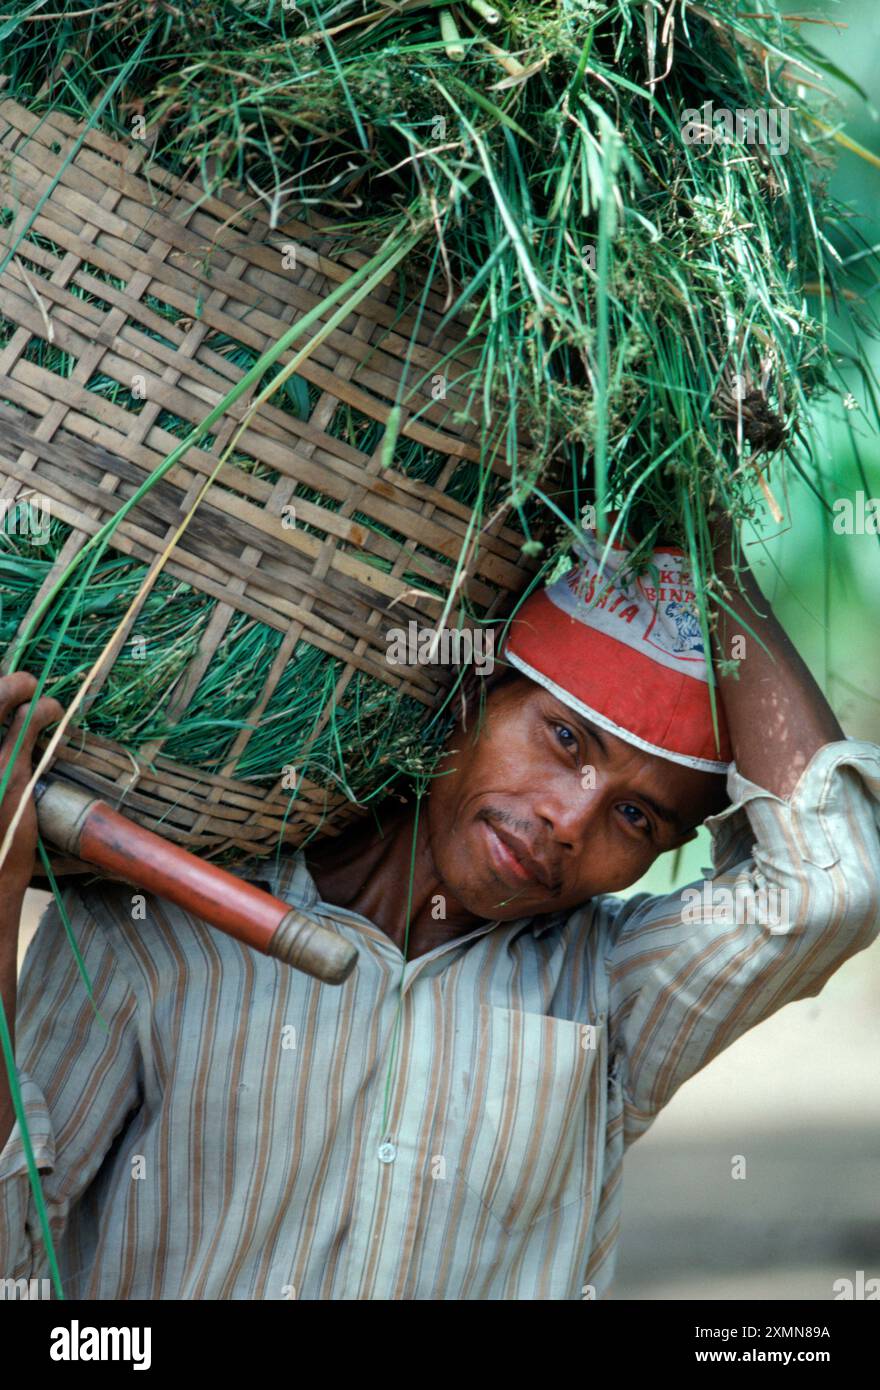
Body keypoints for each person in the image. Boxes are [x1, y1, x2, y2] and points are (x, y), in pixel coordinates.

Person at [1, 519, 878, 1300]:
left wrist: (708, 539)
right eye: (564, 738)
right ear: (471, 692)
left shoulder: (609, 996)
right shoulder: (155, 928)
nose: (568, 822)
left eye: (636, 817)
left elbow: (832, 889)